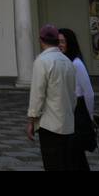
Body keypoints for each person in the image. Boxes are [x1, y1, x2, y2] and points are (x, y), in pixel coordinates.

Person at [26, 23, 76, 171]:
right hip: (67, 123)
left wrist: (32, 120)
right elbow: (74, 96)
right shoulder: (67, 62)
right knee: (65, 164)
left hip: (49, 124)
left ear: (41, 41)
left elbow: (37, 94)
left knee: (52, 164)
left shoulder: (42, 61)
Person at [59, 27, 96, 172]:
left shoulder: (76, 64)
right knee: (73, 155)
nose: (60, 44)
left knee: (75, 154)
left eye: (63, 41)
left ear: (70, 43)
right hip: (68, 113)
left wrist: (90, 115)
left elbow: (89, 93)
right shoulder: (64, 62)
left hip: (78, 113)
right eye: (58, 42)